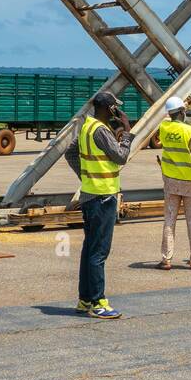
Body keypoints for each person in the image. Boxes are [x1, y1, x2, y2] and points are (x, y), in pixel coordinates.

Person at [64, 90, 132, 318]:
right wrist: (127, 133)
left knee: (90, 249)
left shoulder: (87, 126)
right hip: (103, 196)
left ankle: (84, 299)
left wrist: (85, 176)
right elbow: (121, 156)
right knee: (99, 251)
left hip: (91, 193)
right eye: (116, 107)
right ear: (110, 109)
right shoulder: (101, 131)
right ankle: (98, 301)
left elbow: (70, 152)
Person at [156, 95, 191, 271]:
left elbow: (167, 116)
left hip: (171, 182)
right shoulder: (189, 131)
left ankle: (166, 260)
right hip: (189, 182)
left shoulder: (164, 127)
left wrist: (181, 105)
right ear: (182, 112)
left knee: (169, 221)